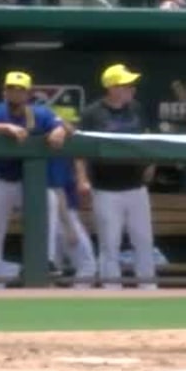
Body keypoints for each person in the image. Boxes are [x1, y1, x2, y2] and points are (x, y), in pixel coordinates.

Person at [0, 71, 68, 288]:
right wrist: (6, 127)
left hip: (25, 183)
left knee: (49, 198)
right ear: (4, 91)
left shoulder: (39, 113)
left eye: (20, 90)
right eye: (11, 89)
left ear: (28, 93)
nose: (15, 93)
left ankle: (46, 259)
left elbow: (63, 127)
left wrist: (60, 129)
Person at [77, 63, 157, 290]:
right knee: (109, 244)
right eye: (126, 85)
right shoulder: (93, 113)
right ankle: (112, 292)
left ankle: (149, 290)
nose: (132, 89)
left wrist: (151, 164)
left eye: (131, 85)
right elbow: (79, 150)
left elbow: (148, 138)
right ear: (112, 87)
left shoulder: (137, 109)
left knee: (143, 241)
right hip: (105, 188)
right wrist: (82, 179)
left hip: (135, 186)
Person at [46, 109, 97, 286]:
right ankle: (79, 302)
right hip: (60, 217)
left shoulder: (69, 151)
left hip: (61, 216)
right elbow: (56, 190)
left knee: (53, 271)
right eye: (68, 124)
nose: (72, 127)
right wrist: (69, 227)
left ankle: (49, 307)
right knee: (87, 265)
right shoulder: (56, 154)